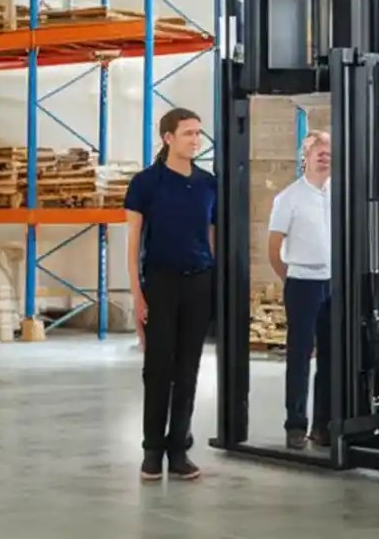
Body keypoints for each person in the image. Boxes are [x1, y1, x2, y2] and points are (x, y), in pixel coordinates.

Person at [126, 107, 217, 482]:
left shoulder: (209, 183)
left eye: (198, 134)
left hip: (198, 282)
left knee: (188, 369)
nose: (195, 140)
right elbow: (133, 245)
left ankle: (179, 449)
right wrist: (138, 295)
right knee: (158, 369)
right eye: (187, 134)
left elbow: (211, 238)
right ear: (167, 138)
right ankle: (152, 451)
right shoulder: (146, 183)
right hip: (160, 284)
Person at [267, 130, 333, 450]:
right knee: (300, 355)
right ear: (304, 156)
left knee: (333, 356)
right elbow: (273, 248)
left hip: (335, 283)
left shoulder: (339, 195)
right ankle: (295, 425)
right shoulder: (289, 198)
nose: (324, 154)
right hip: (303, 283)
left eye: (329, 149)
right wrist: (291, 278)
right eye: (317, 149)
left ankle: (324, 425)